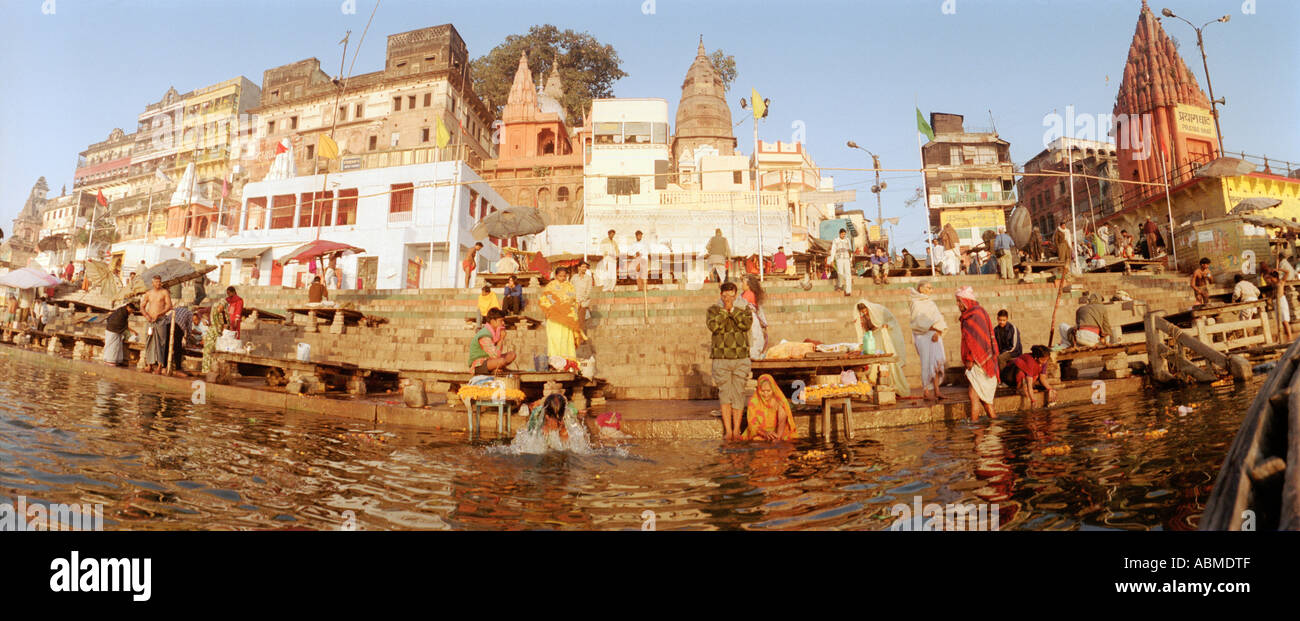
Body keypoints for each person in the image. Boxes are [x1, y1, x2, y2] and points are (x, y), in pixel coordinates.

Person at [708, 281, 752, 441]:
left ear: (736, 295)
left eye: (731, 296)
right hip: (721, 358)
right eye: (725, 296)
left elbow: (746, 325)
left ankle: (737, 430)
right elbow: (714, 327)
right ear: (721, 295)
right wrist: (725, 312)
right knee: (725, 396)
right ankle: (728, 430)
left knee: (738, 394)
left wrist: (732, 310)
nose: (728, 299)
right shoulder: (713, 310)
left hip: (741, 358)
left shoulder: (744, 308)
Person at [853, 299, 911, 397]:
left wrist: (886, 325)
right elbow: (863, 331)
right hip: (872, 339)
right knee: (873, 364)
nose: (864, 312)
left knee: (887, 362)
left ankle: (894, 386)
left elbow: (892, 319)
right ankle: (875, 387)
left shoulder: (878, 309)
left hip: (883, 337)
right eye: (862, 311)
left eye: (865, 310)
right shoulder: (862, 317)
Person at [957, 286, 998, 421]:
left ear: (966, 301)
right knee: (984, 399)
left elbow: (972, 341)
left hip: (978, 362)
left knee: (975, 397)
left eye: (959, 302)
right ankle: (992, 425)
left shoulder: (973, 315)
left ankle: (975, 427)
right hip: (984, 360)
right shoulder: (978, 312)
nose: (958, 305)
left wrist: (969, 358)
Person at [908, 281, 947, 401]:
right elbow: (917, 323)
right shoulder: (915, 303)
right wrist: (934, 328)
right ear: (921, 289)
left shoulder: (931, 303)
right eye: (929, 288)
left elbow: (939, 319)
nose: (931, 290)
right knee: (926, 362)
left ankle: (937, 390)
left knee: (936, 362)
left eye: (932, 288)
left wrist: (938, 332)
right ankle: (925, 390)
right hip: (922, 336)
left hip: (934, 335)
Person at [538, 266, 581, 361]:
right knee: (555, 339)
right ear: (556, 275)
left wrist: (566, 305)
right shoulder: (550, 286)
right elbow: (547, 298)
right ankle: (555, 361)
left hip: (566, 318)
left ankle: (568, 362)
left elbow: (572, 298)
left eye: (564, 276)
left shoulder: (569, 286)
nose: (562, 278)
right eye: (560, 276)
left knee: (566, 340)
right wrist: (558, 305)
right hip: (554, 317)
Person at [1001, 345, 1059, 410]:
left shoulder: (1043, 362)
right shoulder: (1030, 362)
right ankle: (1020, 388)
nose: (1045, 361)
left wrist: (1050, 389)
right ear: (1036, 358)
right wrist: (1033, 400)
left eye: (1046, 359)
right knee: (1021, 372)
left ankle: (1023, 388)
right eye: (1043, 360)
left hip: (1025, 377)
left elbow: (1042, 378)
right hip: (1009, 376)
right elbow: (1029, 383)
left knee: (1036, 374)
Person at [744, 374, 796, 442]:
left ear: (773, 389)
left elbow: (782, 421)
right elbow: (752, 425)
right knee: (756, 441)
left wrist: (778, 437)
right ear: (759, 389)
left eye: (768, 391)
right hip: (759, 433)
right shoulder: (753, 402)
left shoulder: (780, 401)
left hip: (777, 432)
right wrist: (764, 433)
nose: (765, 394)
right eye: (762, 391)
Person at [468, 308, 516, 374]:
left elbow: (497, 353)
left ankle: (496, 368)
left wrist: (500, 338)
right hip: (478, 365)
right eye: (501, 321)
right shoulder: (484, 335)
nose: (503, 323)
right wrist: (501, 339)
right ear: (493, 321)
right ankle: (496, 368)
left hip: (490, 360)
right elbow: (496, 356)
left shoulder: (495, 333)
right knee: (501, 361)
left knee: (512, 355)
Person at [141, 275, 173, 375]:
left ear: (161, 282)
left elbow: (169, 306)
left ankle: (159, 366)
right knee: (149, 341)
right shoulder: (148, 293)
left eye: (159, 282)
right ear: (152, 283)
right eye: (156, 282)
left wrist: (159, 314)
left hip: (161, 320)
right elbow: (142, 306)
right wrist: (146, 315)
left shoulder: (164, 292)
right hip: (150, 321)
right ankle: (149, 364)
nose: (158, 284)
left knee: (161, 342)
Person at [161, 305, 193, 377]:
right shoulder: (189, 313)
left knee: (166, 347)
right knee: (177, 348)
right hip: (178, 327)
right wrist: (188, 341)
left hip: (167, 325)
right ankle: (178, 368)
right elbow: (189, 328)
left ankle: (164, 367)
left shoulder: (176, 309)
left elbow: (167, 318)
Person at [741, 275, 768, 360]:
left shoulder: (748, 294)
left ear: (748, 285)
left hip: (749, 319)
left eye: (743, 283)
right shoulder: (748, 294)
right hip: (751, 319)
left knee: (752, 339)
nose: (742, 285)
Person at [201, 298, 228, 374]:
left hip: (218, 335)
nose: (221, 309)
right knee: (208, 352)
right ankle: (205, 371)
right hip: (211, 334)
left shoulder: (222, 314)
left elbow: (225, 324)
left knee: (215, 353)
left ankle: (213, 371)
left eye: (222, 308)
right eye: (220, 307)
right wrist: (203, 320)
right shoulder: (212, 309)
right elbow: (199, 312)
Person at [103, 302, 133, 367]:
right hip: (113, 330)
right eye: (131, 310)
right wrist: (131, 331)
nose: (131, 312)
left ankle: (117, 360)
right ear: (128, 307)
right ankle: (110, 361)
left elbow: (124, 324)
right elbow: (121, 324)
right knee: (112, 346)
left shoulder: (123, 312)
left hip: (114, 330)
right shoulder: (122, 313)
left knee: (117, 346)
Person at [830, 228, 854, 297]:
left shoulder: (847, 240)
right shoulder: (836, 240)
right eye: (842, 234)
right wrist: (831, 260)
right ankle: (840, 285)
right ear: (839, 234)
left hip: (846, 258)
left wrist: (851, 259)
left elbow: (850, 250)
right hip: (839, 258)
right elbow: (833, 250)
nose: (843, 235)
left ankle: (848, 290)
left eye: (844, 234)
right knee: (840, 272)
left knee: (848, 274)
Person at [572, 261, 594, 333]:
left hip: (583, 303)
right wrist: (574, 300)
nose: (584, 268)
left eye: (585, 267)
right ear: (579, 267)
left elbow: (588, 291)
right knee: (574, 320)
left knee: (581, 321)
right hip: (574, 302)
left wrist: (580, 301)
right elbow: (570, 288)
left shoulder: (588, 278)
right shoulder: (574, 277)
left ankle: (581, 338)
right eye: (583, 267)